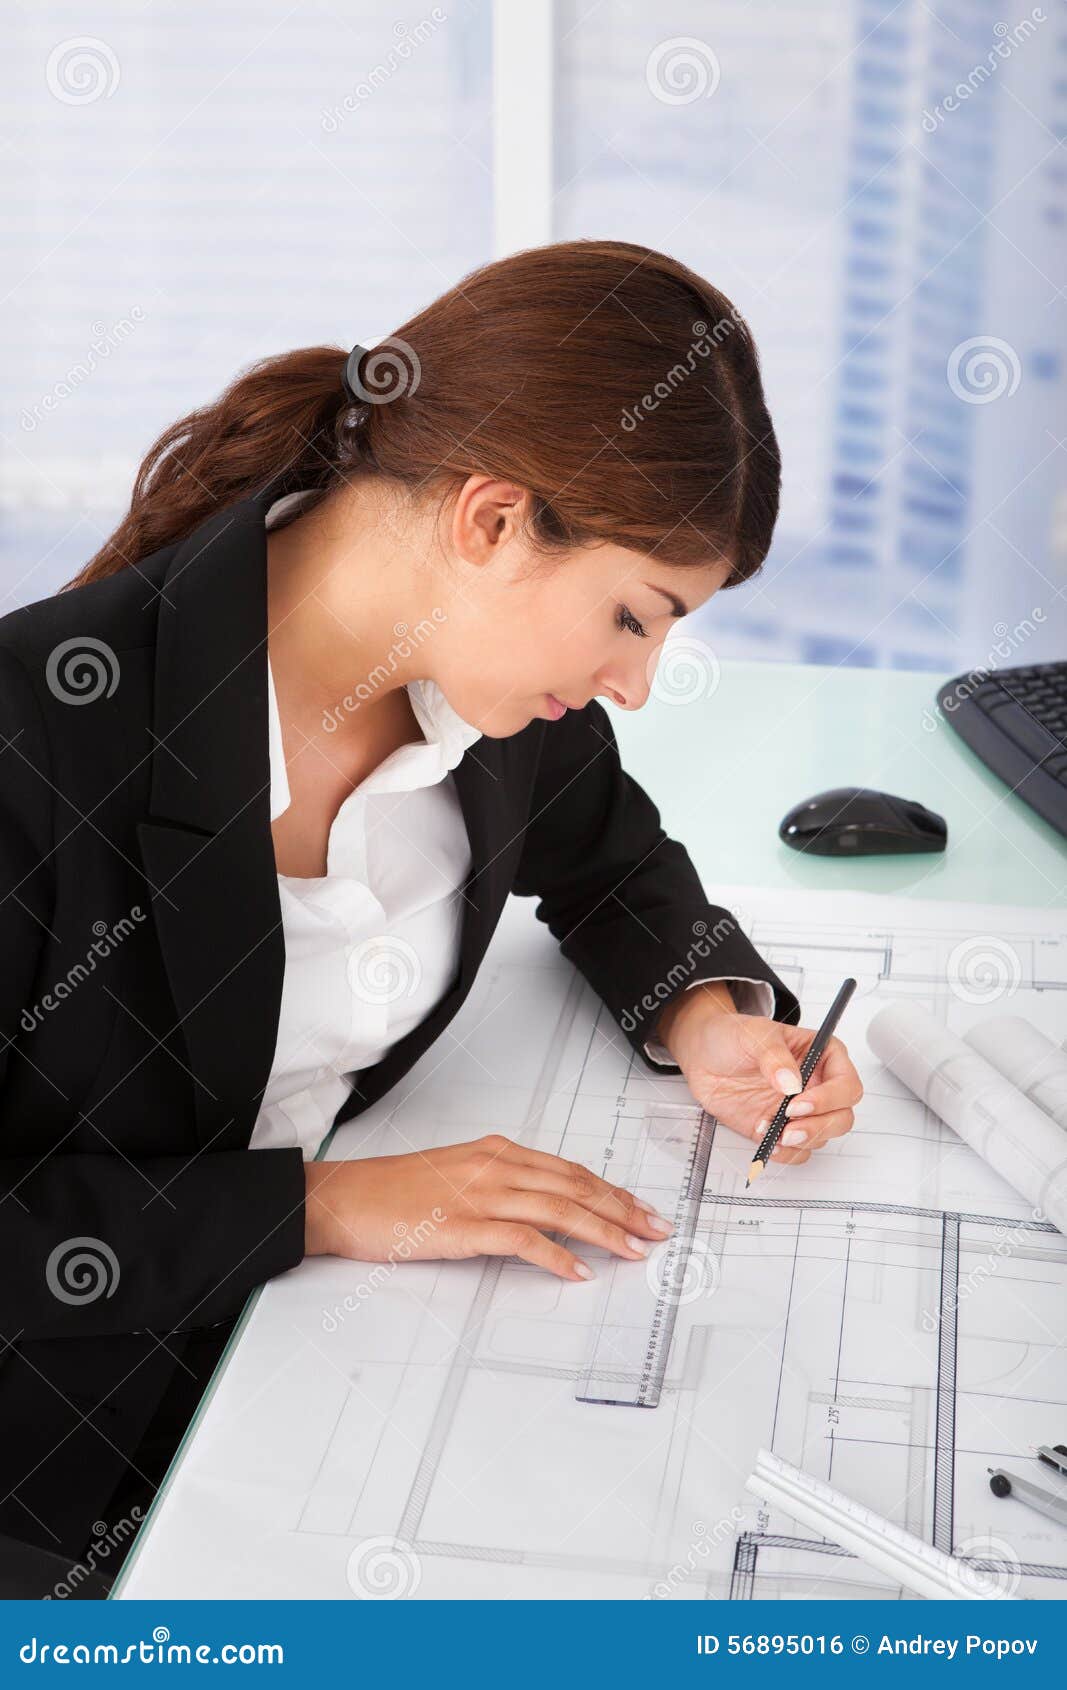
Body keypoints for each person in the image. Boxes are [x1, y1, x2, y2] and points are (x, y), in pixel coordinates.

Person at [0, 238, 862, 1590]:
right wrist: (319, 1207)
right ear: (493, 520)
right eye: (633, 617)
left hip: (315, 1368)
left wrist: (708, 1012)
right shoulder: (35, 741)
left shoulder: (488, 704)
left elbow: (609, 855)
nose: (636, 682)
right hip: (60, 1474)